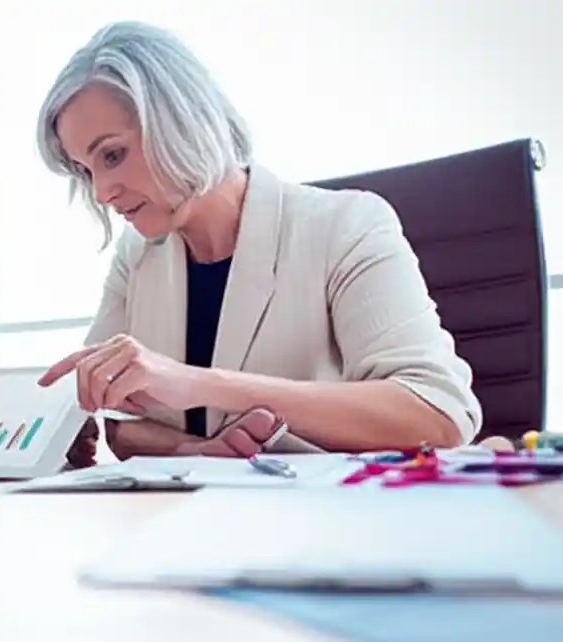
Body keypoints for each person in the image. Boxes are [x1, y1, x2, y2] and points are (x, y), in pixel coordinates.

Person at [35, 21, 481, 459]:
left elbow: (438, 414)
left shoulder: (348, 224)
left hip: (328, 519)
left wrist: (198, 383)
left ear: (182, 123)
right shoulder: (136, 257)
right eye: (86, 170)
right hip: (192, 519)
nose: (101, 192)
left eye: (112, 155)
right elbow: (108, 416)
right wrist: (197, 449)